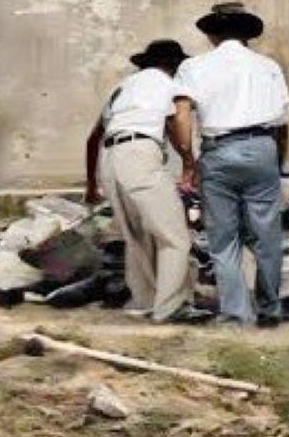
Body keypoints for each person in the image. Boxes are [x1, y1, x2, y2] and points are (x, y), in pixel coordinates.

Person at [175, 2, 289, 327]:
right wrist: (276, 161)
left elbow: (182, 115)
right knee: (267, 235)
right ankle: (270, 309)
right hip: (262, 147)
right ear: (247, 35)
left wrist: (188, 160)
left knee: (224, 239)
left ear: (211, 33)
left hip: (219, 151)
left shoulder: (193, 67)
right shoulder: (267, 65)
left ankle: (236, 314)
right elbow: (283, 120)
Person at [84, 39, 209, 324]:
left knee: (136, 235)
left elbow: (93, 138)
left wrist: (91, 184)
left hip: (110, 158)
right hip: (140, 155)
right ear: (174, 65)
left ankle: (144, 300)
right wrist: (189, 162)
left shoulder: (123, 89)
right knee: (175, 236)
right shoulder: (170, 84)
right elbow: (178, 122)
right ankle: (171, 307)